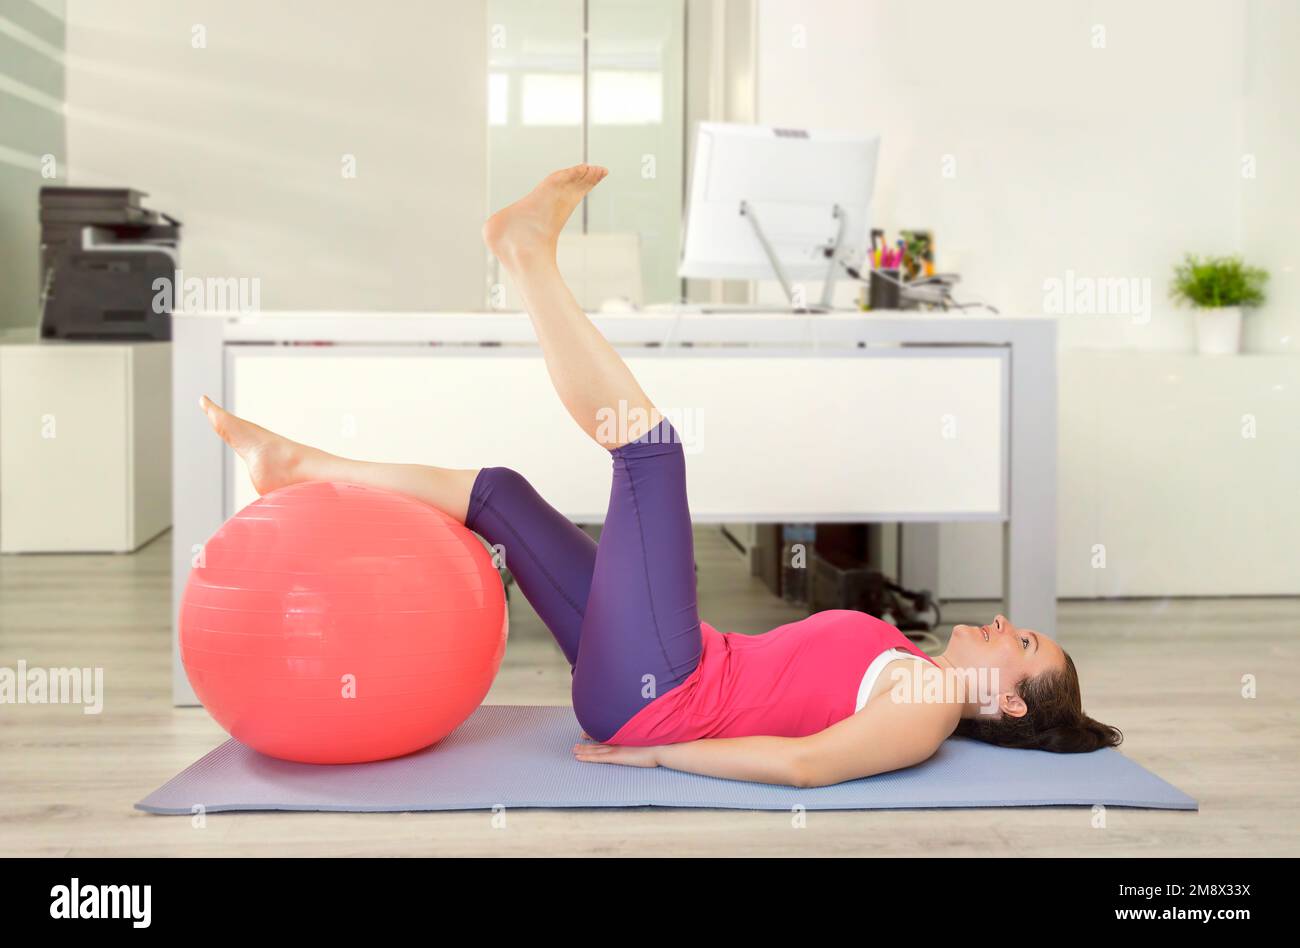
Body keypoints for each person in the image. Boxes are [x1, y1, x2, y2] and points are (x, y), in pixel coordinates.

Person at [201, 164, 1121, 788]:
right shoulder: (911, 670)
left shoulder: (924, 707)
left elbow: (804, 767)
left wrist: (654, 761)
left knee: (651, 452)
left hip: (661, 697)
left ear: (1006, 701)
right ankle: (294, 464)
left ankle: (525, 254)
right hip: (664, 675)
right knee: (503, 496)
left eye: (1024, 644)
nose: (1009, 625)